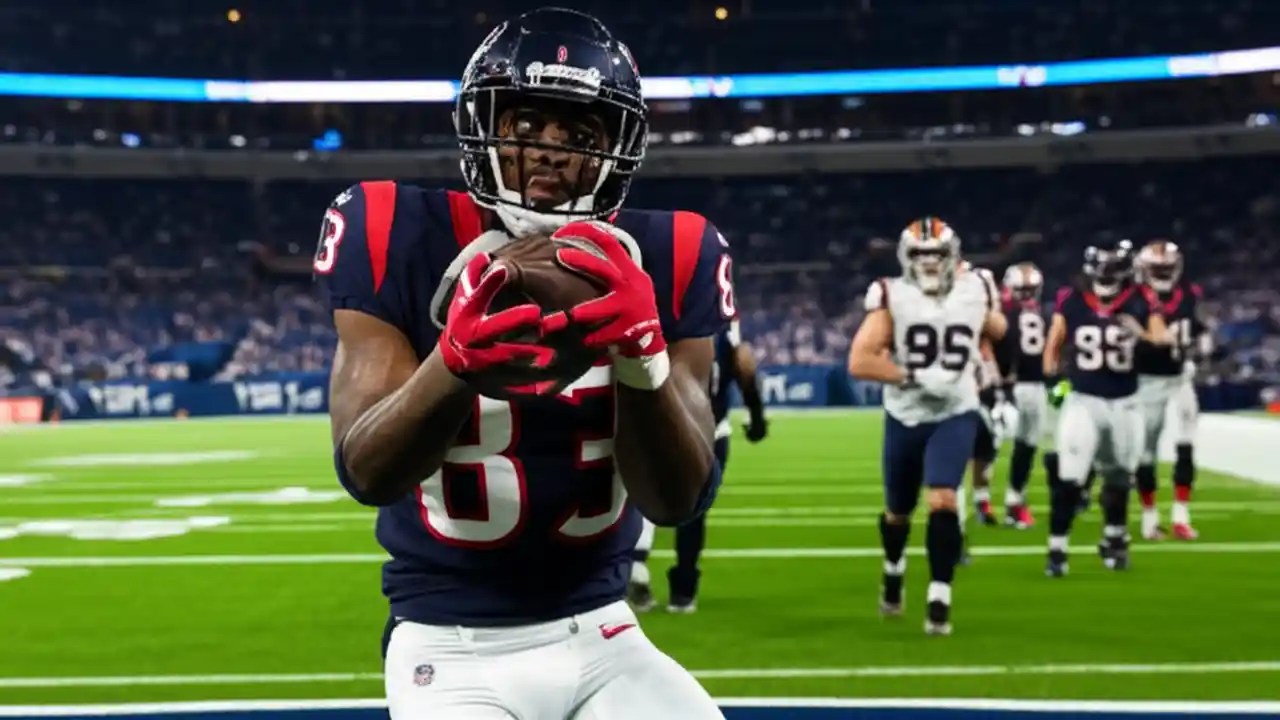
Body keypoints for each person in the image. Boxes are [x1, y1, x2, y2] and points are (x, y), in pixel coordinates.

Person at [315, 8, 733, 718]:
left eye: (579, 134)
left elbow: (678, 499)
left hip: (606, 632)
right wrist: (453, 363)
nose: (548, 150)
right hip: (448, 643)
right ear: (484, 127)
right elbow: (366, 470)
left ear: (618, 149)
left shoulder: (678, 253)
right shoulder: (390, 228)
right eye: (525, 126)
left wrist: (642, 356)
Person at [847, 217, 1006, 635]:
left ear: (953, 255)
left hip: (956, 409)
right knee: (898, 512)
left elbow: (1000, 328)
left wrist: (983, 329)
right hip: (906, 411)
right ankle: (893, 567)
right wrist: (910, 376)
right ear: (906, 257)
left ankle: (940, 594)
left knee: (943, 499)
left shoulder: (978, 288)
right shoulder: (891, 295)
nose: (930, 262)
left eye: (936, 254)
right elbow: (860, 360)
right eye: (921, 254)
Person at [1042, 241, 1170, 577]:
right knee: (1070, 476)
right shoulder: (1071, 299)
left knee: (1118, 477)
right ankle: (1057, 548)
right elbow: (1054, 342)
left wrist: (1141, 334)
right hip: (1083, 399)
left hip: (1126, 401)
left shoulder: (1143, 299)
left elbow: (1162, 341)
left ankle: (1114, 539)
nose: (1107, 276)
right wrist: (1052, 381)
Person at [628, 316, 768, 614]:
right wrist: (756, 416)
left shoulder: (666, 309)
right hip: (711, 428)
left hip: (663, 420)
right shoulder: (723, 316)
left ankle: (636, 563)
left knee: (643, 489)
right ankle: (684, 591)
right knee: (694, 508)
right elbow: (744, 362)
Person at [1133, 240, 1207, 541]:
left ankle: (1180, 515)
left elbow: (1198, 327)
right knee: (1146, 451)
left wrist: (1200, 345)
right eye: (1157, 268)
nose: (1163, 273)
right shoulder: (1135, 299)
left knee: (1185, 444)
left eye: (1166, 268)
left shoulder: (1189, 294)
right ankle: (1149, 518)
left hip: (1179, 379)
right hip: (1147, 381)